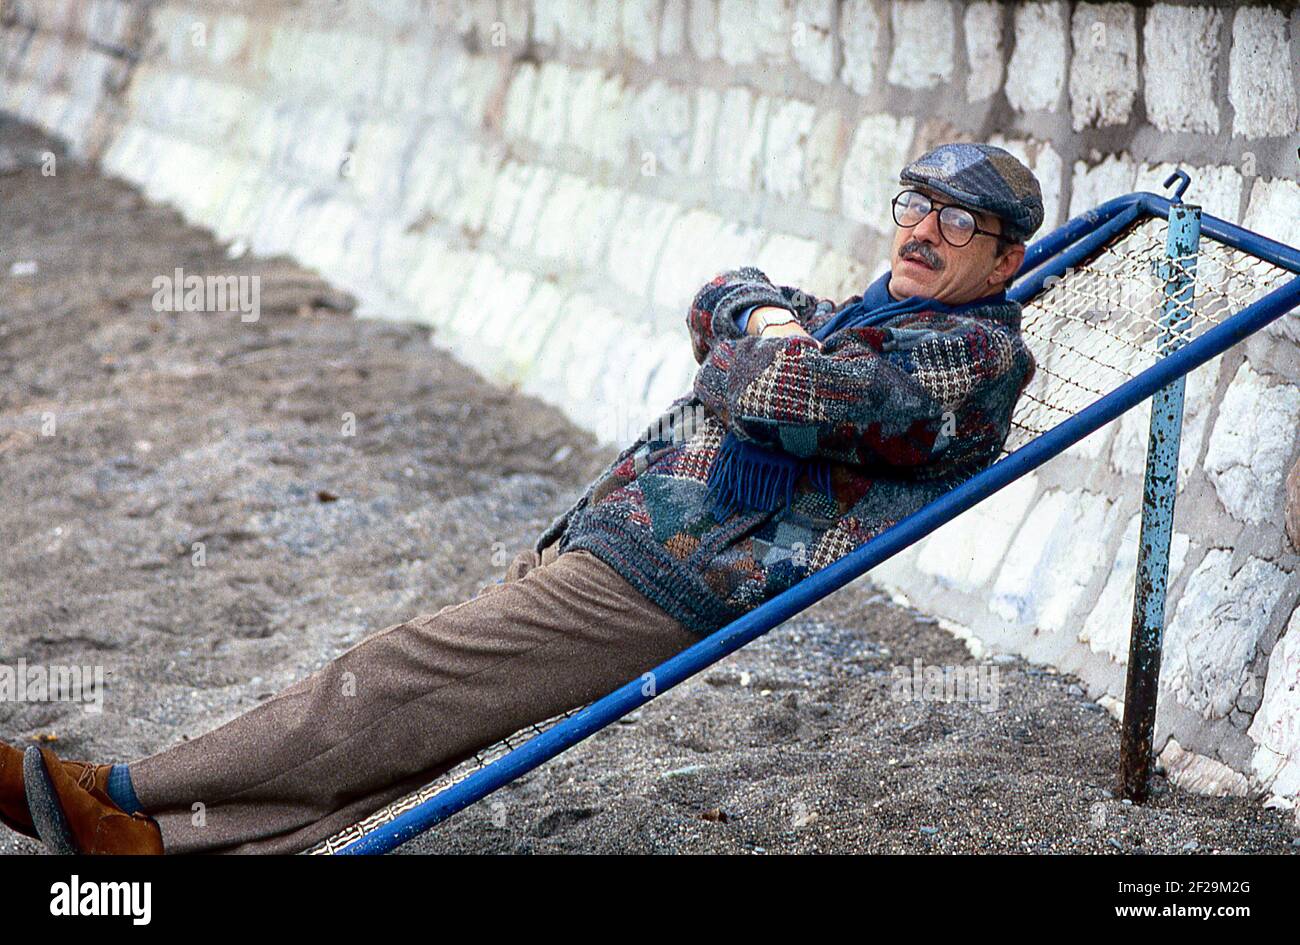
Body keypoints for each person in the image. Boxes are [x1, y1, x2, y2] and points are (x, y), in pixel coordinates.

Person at [0, 142, 1041, 854]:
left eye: (961, 224)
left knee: (394, 676)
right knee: (439, 709)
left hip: (680, 577)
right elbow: (722, 291)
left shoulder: (972, 352)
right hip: (624, 540)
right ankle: (182, 839)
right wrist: (760, 323)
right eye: (916, 206)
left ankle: (122, 804)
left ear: (1006, 257)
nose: (925, 230)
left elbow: (769, 385)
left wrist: (760, 340)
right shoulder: (868, 317)